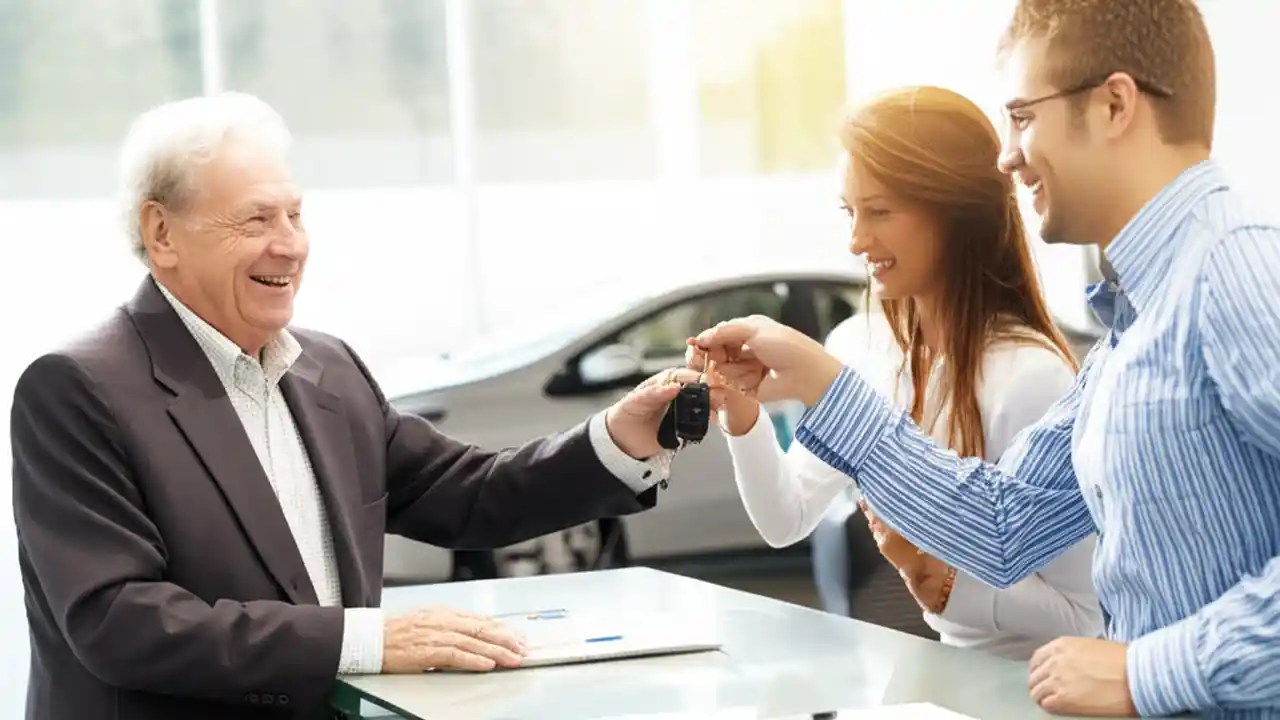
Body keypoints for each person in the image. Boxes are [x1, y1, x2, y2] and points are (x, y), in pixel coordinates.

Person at [8, 92, 704, 720]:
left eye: (295, 213)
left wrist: (617, 437)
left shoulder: (329, 370)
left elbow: (472, 495)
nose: (290, 244)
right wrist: (362, 637)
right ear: (161, 234)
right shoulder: (75, 389)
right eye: (255, 219)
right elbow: (116, 621)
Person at [690, 1, 1280, 717]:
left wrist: (1143, 674)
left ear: (1114, 105)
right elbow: (1003, 525)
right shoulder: (1137, 320)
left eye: (1024, 117)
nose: (1005, 155)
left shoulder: (1236, 269)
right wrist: (823, 385)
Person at [709, 86, 1101, 659]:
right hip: (933, 681)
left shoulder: (1032, 379)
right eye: (850, 212)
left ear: (953, 210)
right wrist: (741, 415)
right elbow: (784, 519)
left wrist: (936, 577)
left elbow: (1080, 620)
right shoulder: (860, 347)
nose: (856, 240)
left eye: (880, 211)